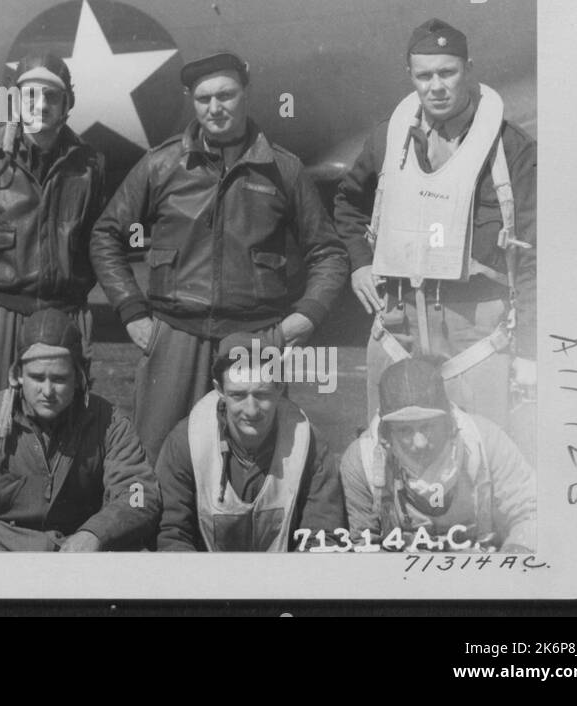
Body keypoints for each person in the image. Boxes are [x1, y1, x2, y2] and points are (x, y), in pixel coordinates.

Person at [89, 51, 348, 462]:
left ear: (246, 94)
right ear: (193, 102)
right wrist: (132, 311)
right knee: (155, 459)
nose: (215, 108)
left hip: (255, 338)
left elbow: (328, 252)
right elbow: (105, 235)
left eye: (226, 95)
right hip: (175, 337)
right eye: (203, 98)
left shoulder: (283, 169)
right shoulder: (161, 164)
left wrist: (308, 315)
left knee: (258, 460)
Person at [333, 18, 536, 458]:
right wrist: (359, 263)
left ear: (468, 68)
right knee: (387, 448)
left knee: (483, 453)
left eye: (448, 72)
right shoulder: (390, 137)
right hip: (397, 322)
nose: (437, 86)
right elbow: (348, 202)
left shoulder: (510, 149)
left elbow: (536, 253)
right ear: (411, 76)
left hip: (475, 330)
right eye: (425, 75)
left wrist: (532, 353)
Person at [0, 308, 160, 551]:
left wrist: (95, 534)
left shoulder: (109, 424)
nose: (48, 391)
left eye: (60, 379)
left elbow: (139, 493)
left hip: (81, 561)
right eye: (37, 378)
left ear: (78, 376)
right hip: (4, 563)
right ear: (17, 375)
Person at [0, 53, 105, 404]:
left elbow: (96, 243)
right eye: (30, 95)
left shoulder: (89, 166)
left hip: (64, 311)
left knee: (66, 415)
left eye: (51, 96)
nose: (40, 105)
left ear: (68, 103)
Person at [155, 331, 345, 552]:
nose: (251, 410)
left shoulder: (309, 441)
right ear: (219, 390)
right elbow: (170, 535)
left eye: (262, 395)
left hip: (285, 579)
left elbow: (322, 538)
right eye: (238, 395)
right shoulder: (186, 439)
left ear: (279, 389)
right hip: (206, 578)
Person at [340, 356, 535, 552]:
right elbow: (365, 549)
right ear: (386, 433)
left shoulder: (486, 441)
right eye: (404, 430)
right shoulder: (361, 462)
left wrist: (515, 554)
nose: (420, 442)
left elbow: (531, 510)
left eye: (428, 426)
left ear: (449, 420)